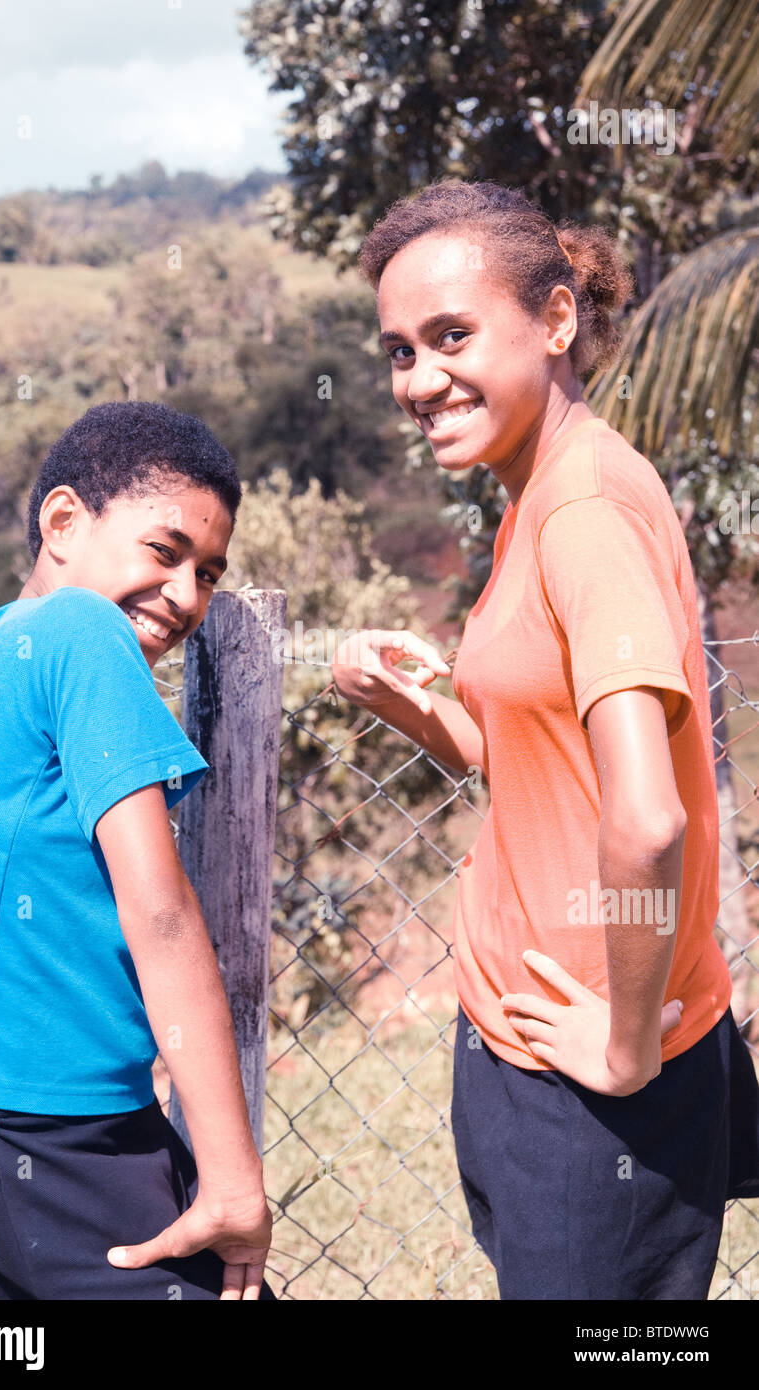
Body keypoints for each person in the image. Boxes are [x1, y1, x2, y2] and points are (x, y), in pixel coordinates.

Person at [331, 180, 759, 1300]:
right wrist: (412, 709)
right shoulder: (544, 487)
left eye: (451, 336)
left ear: (557, 319)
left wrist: (620, 1040)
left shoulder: (581, 515)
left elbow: (645, 813)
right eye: (396, 351)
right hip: (534, 1047)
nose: (418, 380)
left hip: (599, 1079)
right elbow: (541, 763)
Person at [0, 401, 275, 1301]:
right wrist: (230, 1180)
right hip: (79, 1163)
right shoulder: (81, 632)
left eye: (211, 573)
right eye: (165, 551)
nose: (187, 594)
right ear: (62, 522)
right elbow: (161, 911)